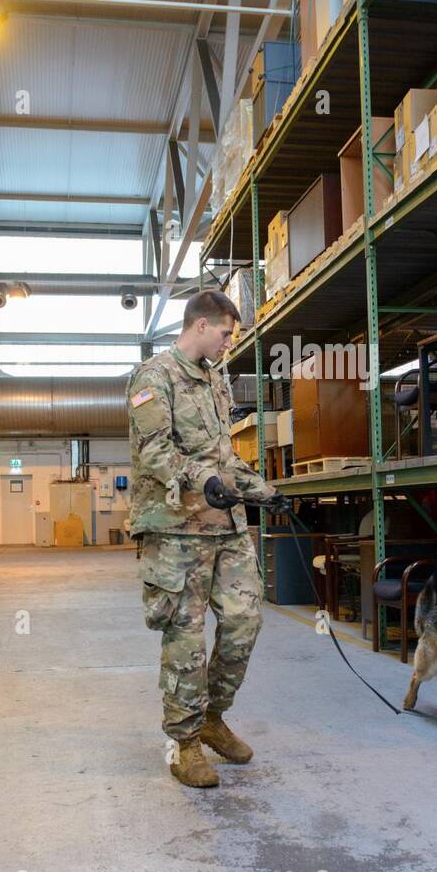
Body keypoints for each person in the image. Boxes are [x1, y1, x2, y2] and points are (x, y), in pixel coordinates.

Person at [127, 289, 288, 789]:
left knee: (244, 621)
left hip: (226, 525)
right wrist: (204, 482)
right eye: (224, 334)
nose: (227, 343)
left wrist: (264, 491)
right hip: (176, 530)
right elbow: (155, 453)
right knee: (186, 639)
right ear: (201, 326)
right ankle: (185, 742)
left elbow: (223, 456)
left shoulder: (217, 382)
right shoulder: (154, 377)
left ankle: (213, 718)